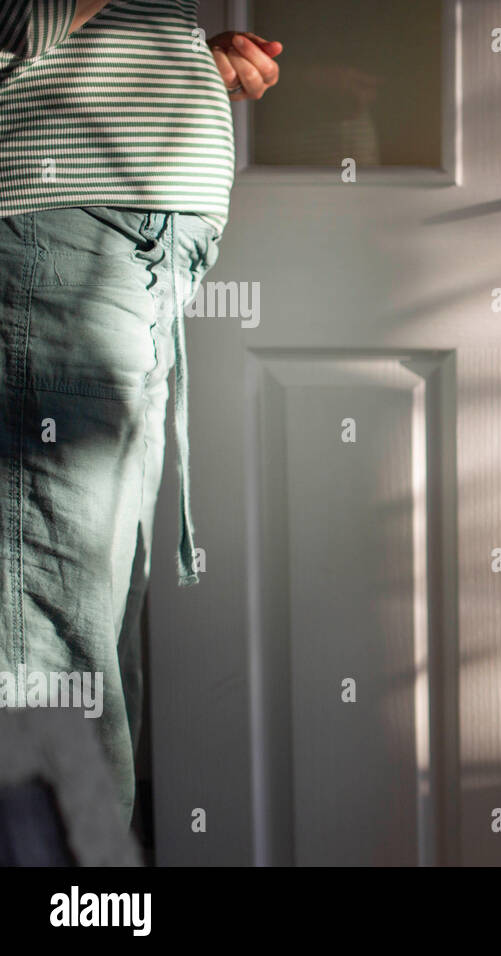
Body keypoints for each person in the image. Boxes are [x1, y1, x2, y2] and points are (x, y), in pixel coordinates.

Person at [0, 0, 281, 828]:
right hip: (59, 240)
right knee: (47, 640)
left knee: (83, 635)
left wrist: (175, 59)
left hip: (119, 248)